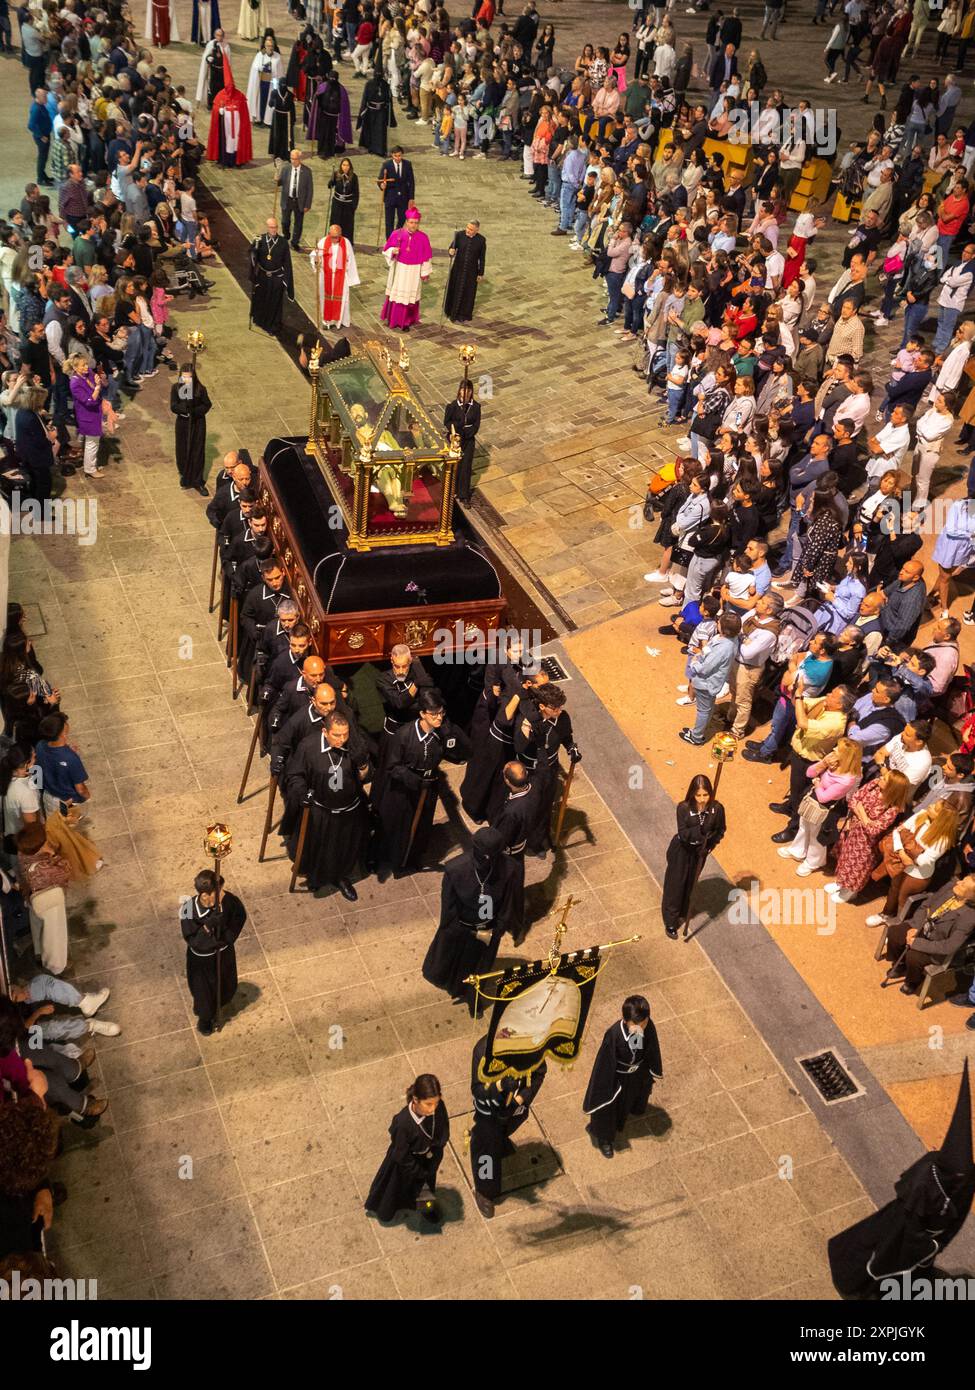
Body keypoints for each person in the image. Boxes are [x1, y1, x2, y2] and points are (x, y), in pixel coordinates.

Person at [372, 687, 469, 877]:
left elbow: (461, 754)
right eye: (434, 714)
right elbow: (392, 766)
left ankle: (410, 858)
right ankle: (381, 858)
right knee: (395, 825)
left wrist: (453, 736)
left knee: (420, 826)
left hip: (428, 787)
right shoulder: (404, 735)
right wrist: (414, 780)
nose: (439, 718)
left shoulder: (441, 734)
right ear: (422, 714)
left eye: (441, 713)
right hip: (402, 789)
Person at [421, 827, 520, 1012]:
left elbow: (509, 903)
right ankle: (453, 985)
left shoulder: (510, 868)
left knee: (480, 966)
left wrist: (496, 931)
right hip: (461, 927)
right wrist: (460, 930)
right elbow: (448, 907)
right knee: (453, 961)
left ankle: (473, 997)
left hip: (489, 929)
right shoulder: (455, 869)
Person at [284, 710, 370, 900]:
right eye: (336, 735)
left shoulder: (353, 746)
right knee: (319, 847)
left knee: (343, 847)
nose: (342, 740)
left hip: (349, 808)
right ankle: (317, 877)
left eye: (345, 734)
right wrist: (302, 793)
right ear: (325, 731)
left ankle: (341, 877)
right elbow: (295, 775)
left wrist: (363, 765)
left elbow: (363, 777)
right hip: (321, 809)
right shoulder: (309, 747)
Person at [469, 1033, 546, 1219]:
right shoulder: (483, 1051)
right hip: (490, 1111)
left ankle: (500, 1142)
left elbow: (539, 1073)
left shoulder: (529, 1042)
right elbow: (478, 1090)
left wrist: (520, 1099)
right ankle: (484, 1191)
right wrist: (500, 1085)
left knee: (503, 1133)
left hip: (514, 1108)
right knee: (486, 1150)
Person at [583, 995, 663, 1158]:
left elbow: (647, 1048)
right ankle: (604, 1138)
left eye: (644, 1023)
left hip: (634, 1076)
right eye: (636, 1025)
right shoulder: (614, 1035)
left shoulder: (644, 1027)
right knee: (608, 1109)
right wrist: (606, 1087)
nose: (641, 1028)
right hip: (615, 1078)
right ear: (625, 1020)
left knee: (628, 1101)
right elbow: (604, 1064)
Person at [364, 1075, 449, 1224]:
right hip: (405, 1164)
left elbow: (444, 1129)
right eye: (428, 1104)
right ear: (415, 1100)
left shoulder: (438, 1107)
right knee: (394, 1190)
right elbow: (400, 1154)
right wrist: (419, 1171)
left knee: (426, 1189)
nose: (433, 1108)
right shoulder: (403, 1122)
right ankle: (386, 1210)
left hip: (428, 1159)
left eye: (436, 1103)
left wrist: (436, 1153)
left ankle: (426, 1210)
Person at [180, 868, 246, 1036]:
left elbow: (239, 915)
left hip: (223, 953)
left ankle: (222, 1002)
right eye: (219, 891)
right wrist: (209, 925)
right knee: (204, 991)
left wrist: (227, 937)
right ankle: (205, 1017)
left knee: (225, 982)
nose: (223, 893)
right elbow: (192, 938)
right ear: (206, 894)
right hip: (202, 961)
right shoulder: (187, 907)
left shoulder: (228, 900)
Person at [661, 774, 727, 938]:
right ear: (692, 794)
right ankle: (671, 920)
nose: (703, 799)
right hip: (681, 851)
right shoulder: (683, 808)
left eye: (706, 795)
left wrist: (710, 845)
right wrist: (702, 830)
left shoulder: (716, 809)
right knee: (675, 885)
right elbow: (683, 834)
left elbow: (721, 830)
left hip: (700, 853)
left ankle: (684, 909)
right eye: (699, 795)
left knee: (691, 882)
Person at [380, 209, 433, 332]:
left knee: (409, 296)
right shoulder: (397, 234)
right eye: (411, 222)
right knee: (396, 293)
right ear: (406, 222)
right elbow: (386, 249)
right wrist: (393, 251)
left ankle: (406, 321)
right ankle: (392, 319)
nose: (413, 225)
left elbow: (426, 256)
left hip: (414, 271)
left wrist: (425, 272)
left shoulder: (423, 238)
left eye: (416, 223)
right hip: (399, 269)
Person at [170, 363, 212, 495]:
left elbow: (207, 404)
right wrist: (184, 409)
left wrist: (194, 411)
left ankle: (198, 480)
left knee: (197, 451)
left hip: (197, 423)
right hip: (182, 423)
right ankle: (185, 475)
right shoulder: (176, 388)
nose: (186, 380)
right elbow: (173, 405)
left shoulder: (200, 389)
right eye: (184, 378)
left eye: (189, 378)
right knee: (182, 449)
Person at [206, 51, 254, 167]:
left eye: (231, 86)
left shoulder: (240, 96)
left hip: (237, 128)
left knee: (236, 142)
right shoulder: (219, 96)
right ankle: (225, 160)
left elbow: (244, 116)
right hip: (225, 128)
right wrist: (219, 112)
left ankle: (238, 160)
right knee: (226, 142)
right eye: (228, 87)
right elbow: (215, 114)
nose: (230, 89)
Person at [249, 216, 294, 335]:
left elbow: (287, 262)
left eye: (275, 227)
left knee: (274, 302)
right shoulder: (260, 240)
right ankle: (260, 320)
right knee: (262, 298)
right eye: (271, 227)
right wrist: (254, 250)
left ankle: (273, 325)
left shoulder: (283, 243)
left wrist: (285, 280)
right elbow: (253, 257)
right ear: (267, 227)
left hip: (276, 277)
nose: (274, 230)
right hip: (263, 275)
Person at [311, 224, 360, 331]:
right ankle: (326, 321)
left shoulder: (346, 243)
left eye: (337, 237)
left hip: (341, 276)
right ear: (329, 234)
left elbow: (351, 260)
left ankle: (339, 321)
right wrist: (316, 262)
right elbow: (314, 255)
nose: (335, 239)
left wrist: (351, 277)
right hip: (326, 276)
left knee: (342, 299)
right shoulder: (323, 242)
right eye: (333, 237)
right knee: (325, 298)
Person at [443, 379, 481, 505]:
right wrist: (457, 428)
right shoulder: (453, 406)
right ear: (459, 391)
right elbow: (447, 422)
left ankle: (463, 493)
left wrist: (468, 433)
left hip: (468, 440)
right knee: (455, 465)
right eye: (463, 390)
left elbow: (476, 425)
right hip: (455, 440)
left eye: (468, 390)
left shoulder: (475, 407)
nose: (466, 393)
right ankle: (451, 490)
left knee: (466, 466)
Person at [443, 221, 486, 324]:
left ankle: (463, 314)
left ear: (476, 230)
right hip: (457, 269)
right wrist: (451, 252)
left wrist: (480, 273)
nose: (468, 230)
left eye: (471, 229)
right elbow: (451, 248)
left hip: (471, 272)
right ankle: (450, 312)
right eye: (467, 227)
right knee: (455, 290)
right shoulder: (459, 235)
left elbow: (482, 258)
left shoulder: (481, 240)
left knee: (468, 293)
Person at [277, 149, 314, 252]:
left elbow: (310, 189)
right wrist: (277, 179)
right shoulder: (286, 169)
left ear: (300, 159)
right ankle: (286, 235)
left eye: (295, 159)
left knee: (298, 223)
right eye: (291, 158)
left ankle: (295, 242)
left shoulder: (307, 171)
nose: (293, 161)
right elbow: (280, 183)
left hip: (299, 201)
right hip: (287, 199)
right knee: (285, 221)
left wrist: (308, 204)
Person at [357, 68, 396, 157]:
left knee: (380, 130)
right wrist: (363, 111)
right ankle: (369, 147)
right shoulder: (369, 84)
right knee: (369, 129)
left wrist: (388, 112)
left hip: (381, 111)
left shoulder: (385, 85)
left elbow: (388, 100)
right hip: (370, 110)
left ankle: (379, 149)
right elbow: (365, 98)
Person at [377, 148, 415, 240]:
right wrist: (381, 185)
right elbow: (381, 179)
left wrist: (411, 198)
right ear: (392, 155)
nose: (398, 158)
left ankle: (397, 235)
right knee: (389, 221)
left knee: (402, 218)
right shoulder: (386, 165)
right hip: (390, 196)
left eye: (399, 156)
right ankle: (389, 241)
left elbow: (411, 182)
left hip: (403, 197)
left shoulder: (407, 164)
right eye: (396, 156)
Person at [247, 35, 283, 125]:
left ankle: (268, 120)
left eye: (272, 46)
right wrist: (261, 68)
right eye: (268, 46)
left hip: (272, 83)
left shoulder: (277, 57)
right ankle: (259, 118)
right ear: (265, 46)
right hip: (261, 83)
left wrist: (276, 87)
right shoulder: (259, 55)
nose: (270, 48)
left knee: (271, 102)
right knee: (261, 102)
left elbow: (280, 73)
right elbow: (254, 68)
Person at [197, 30, 232, 109]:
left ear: (223, 36)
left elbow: (228, 60)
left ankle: (221, 103)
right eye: (217, 35)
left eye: (221, 35)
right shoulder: (211, 44)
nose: (219, 37)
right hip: (213, 70)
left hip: (222, 70)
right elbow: (206, 56)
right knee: (212, 87)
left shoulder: (226, 46)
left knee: (221, 87)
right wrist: (208, 58)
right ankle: (211, 104)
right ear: (215, 35)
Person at [328, 159, 359, 244]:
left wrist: (354, 206)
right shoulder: (337, 174)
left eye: (347, 165)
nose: (345, 167)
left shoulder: (354, 177)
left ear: (350, 167)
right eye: (343, 165)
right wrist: (331, 180)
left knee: (347, 225)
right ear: (341, 166)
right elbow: (330, 185)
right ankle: (333, 240)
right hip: (337, 204)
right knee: (335, 222)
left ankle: (346, 243)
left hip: (348, 205)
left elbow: (356, 192)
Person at [266, 80, 296, 160]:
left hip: (284, 117)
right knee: (280, 135)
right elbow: (270, 104)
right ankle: (281, 153)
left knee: (283, 135)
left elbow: (292, 108)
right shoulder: (277, 93)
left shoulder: (287, 95)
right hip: (280, 117)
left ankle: (282, 153)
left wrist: (293, 119)